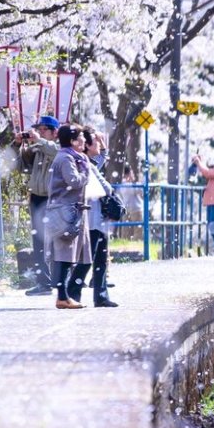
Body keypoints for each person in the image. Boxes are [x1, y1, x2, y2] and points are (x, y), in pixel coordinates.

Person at [45, 124, 91, 307]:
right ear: (72, 141)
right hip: (65, 212)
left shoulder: (73, 157)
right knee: (64, 254)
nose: (84, 141)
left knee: (72, 255)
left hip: (71, 211)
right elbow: (73, 181)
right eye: (80, 138)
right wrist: (85, 172)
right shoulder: (66, 158)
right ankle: (63, 297)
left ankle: (65, 296)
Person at [14, 115, 60, 294]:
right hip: (37, 197)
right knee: (38, 241)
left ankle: (60, 279)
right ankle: (44, 282)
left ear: (54, 132)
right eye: (38, 129)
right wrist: (18, 145)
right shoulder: (37, 149)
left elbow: (55, 152)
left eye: (43, 129)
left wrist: (39, 140)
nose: (39, 133)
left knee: (58, 240)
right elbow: (19, 167)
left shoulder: (60, 146)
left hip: (54, 198)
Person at [82, 127, 118, 307]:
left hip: (98, 217)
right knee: (87, 259)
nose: (99, 145)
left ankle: (101, 296)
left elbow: (104, 156)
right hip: (90, 216)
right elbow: (106, 189)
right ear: (87, 146)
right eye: (95, 142)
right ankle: (71, 291)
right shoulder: (84, 163)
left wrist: (102, 143)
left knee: (100, 258)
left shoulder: (92, 162)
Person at [192, 149, 214, 254]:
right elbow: (207, 172)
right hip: (213, 198)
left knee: (213, 222)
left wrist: (199, 163)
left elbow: (208, 173)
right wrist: (200, 163)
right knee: (212, 223)